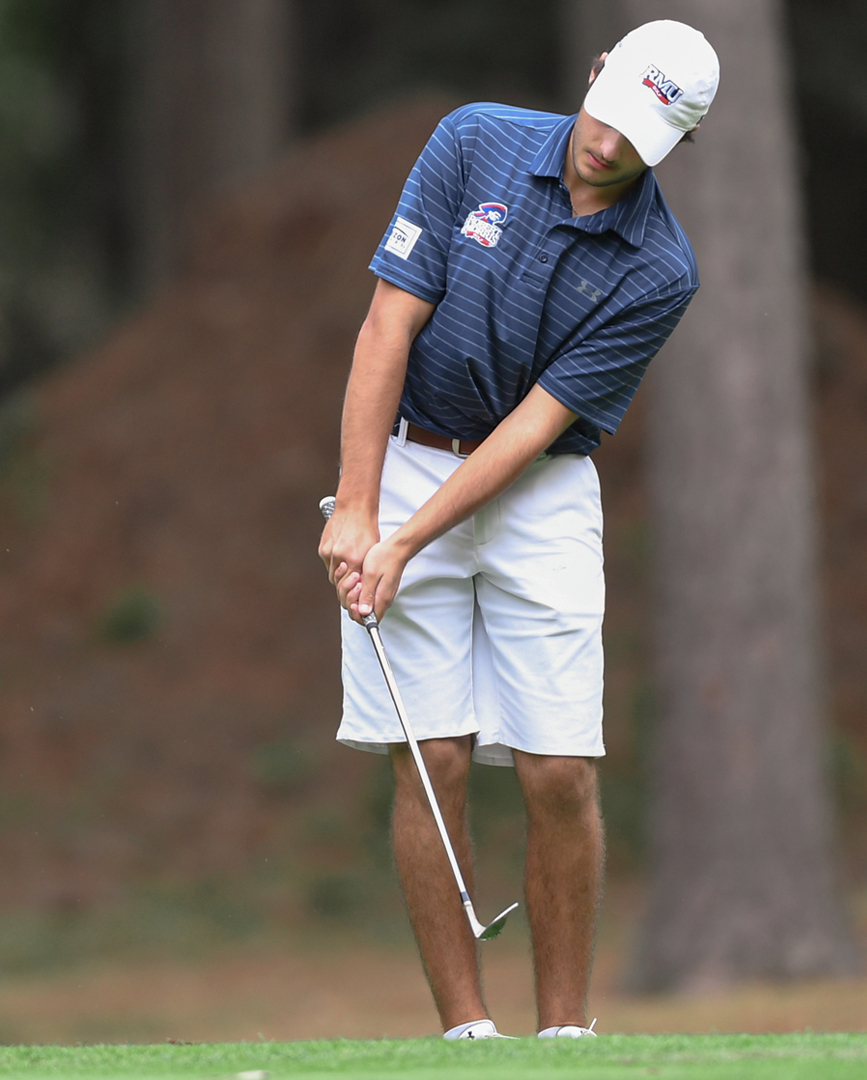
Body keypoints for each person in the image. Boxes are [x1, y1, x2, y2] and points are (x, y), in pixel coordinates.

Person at [317, 20, 720, 1040]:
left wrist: (404, 541)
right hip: (406, 457)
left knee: (558, 767)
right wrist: (361, 508)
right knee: (433, 756)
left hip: (539, 489)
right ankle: (467, 1039)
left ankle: (566, 1041)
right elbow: (387, 327)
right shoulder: (472, 142)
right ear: (595, 73)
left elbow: (535, 427)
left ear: (675, 145)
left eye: (642, 134)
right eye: (611, 110)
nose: (610, 142)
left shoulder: (660, 268)